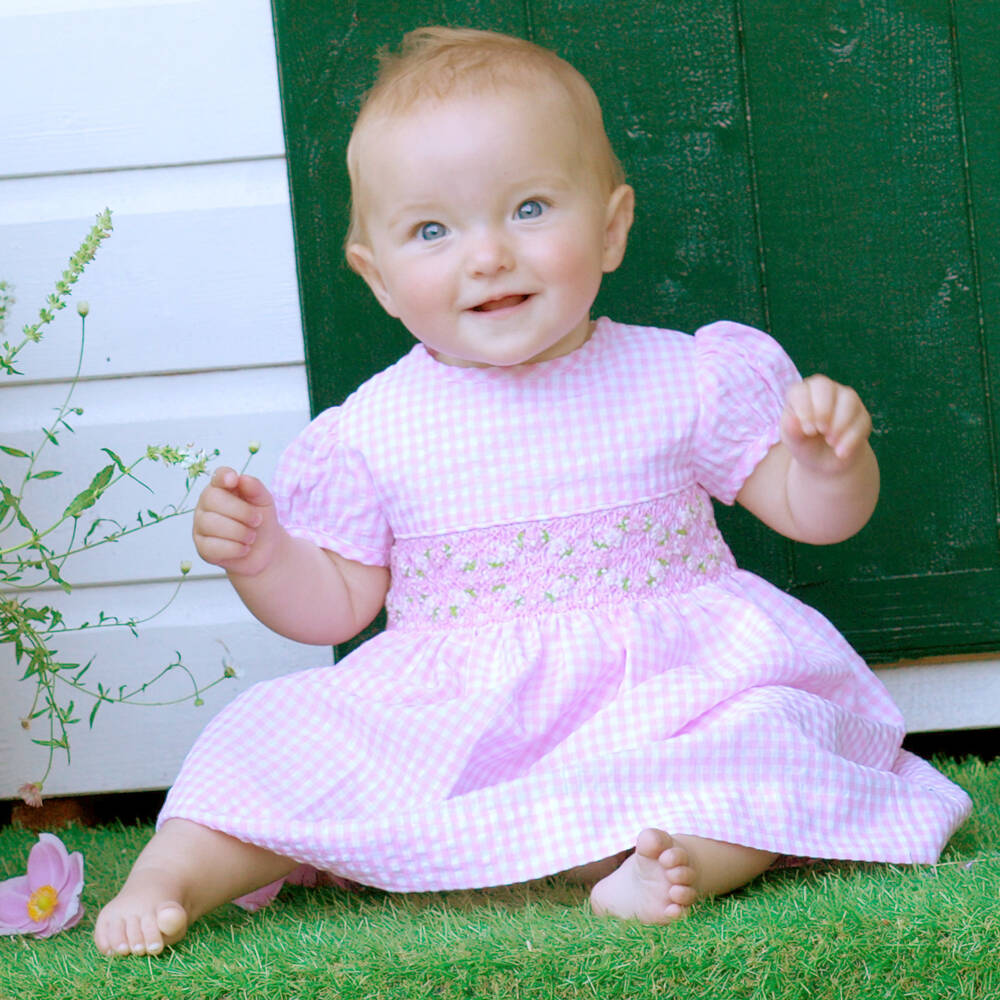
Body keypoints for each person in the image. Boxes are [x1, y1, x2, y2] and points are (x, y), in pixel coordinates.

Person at [94, 26, 971, 957]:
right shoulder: (373, 427)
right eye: (432, 231)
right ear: (378, 277)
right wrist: (266, 557)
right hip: (458, 719)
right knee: (270, 738)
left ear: (612, 226)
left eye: (529, 208)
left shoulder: (682, 376)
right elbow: (337, 605)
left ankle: (675, 857)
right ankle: (174, 873)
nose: (487, 256)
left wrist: (832, 465)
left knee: (771, 736)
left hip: (670, 697)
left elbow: (811, 516)